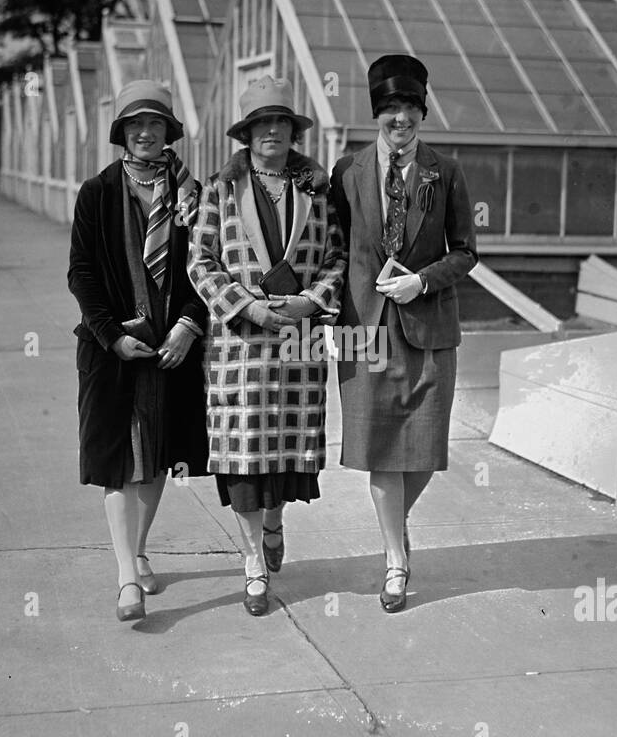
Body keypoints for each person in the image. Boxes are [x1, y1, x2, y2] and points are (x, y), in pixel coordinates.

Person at [189, 76, 346, 616]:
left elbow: (337, 258)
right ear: (247, 134)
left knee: (284, 452)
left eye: (280, 122)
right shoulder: (220, 189)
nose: (271, 131)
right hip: (239, 342)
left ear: (291, 131)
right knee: (243, 455)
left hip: (297, 340)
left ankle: (276, 522)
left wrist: (311, 302)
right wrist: (246, 306)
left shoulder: (316, 190)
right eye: (261, 124)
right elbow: (200, 260)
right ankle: (253, 563)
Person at [329, 54, 478, 613]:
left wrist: (423, 281)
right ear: (376, 115)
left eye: (410, 107)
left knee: (424, 449)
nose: (400, 118)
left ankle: (397, 524)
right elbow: (331, 251)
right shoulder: (346, 172)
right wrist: (326, 319)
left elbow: (466, 251)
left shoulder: (446, 172)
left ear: (423, 113)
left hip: (430, 326)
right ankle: (396, 562)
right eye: (390, 108)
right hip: (362, 329)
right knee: (380, 452)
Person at [67, 80, 209, 623]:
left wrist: (189, 325)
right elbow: (81, 273)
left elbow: (206, 267)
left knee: (155, 460)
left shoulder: (193, 194)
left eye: (154, 124)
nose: (144, 133)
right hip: (112, 351)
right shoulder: (97, 193)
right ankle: (127, 577)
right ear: (121, 134)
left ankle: (141, 548)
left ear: (168, 131)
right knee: (118, 463)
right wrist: (109, 334)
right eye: (133, 125)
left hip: (172, 349)